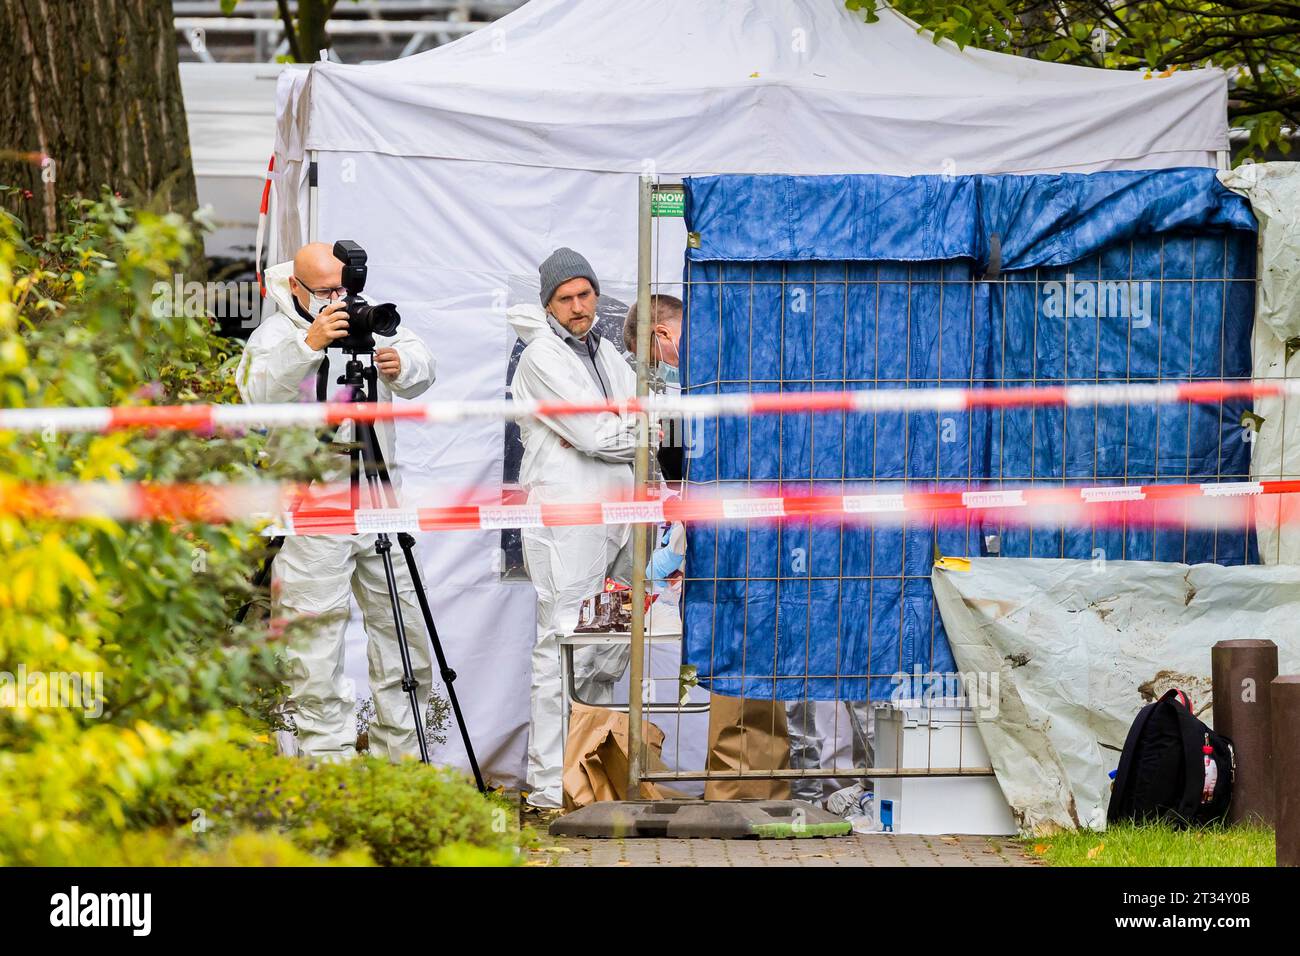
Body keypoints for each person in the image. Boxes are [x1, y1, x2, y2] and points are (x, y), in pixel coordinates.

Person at [236, 242, 437, 761]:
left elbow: (424, 368)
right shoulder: (276, 332)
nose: (338, 299)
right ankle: (331, 771)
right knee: (315, 651)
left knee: (403, 636)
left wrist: (400, 364)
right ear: (297, 287)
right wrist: (308, 344)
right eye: (326, 291)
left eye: (343, 288)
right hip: (310, 511)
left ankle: (403, 765)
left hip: (378, 502)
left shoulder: (365, 318)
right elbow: (254, 395)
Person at [626, 295, 792, 799]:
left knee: (734, 647)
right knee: (762, 648)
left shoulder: (696, 385)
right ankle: (763, 782)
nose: (665, 370)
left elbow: (680, 472)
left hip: (733, 536)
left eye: (659, 361)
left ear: (662, 336)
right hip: (759, 525)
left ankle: (734, 786)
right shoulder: (742, 356)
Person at [507, 247, 638, 809]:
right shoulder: (540, 354)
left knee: (608, 646)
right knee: (561, 642)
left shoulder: (606, 350)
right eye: (566, 298)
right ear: (549, 304)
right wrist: (624, 431)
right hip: (567, 514)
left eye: (586, 294)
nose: (579, 306)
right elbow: (598, 436)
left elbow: (638, 419)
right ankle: (545, 787)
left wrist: (621, 428)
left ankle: (587, 777)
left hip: (618, 511)